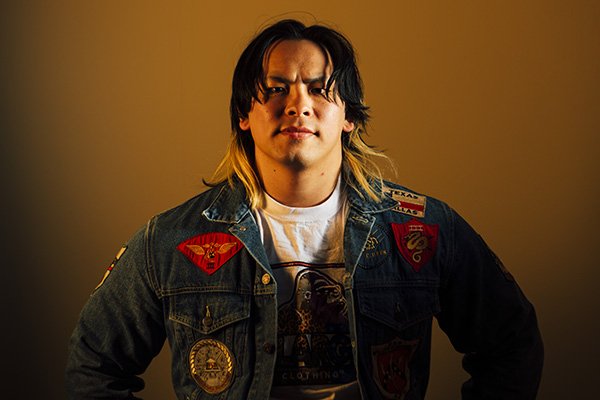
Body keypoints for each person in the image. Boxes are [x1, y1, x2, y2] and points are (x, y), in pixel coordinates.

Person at [66, 19, 543, 399]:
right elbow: (93, 365)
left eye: (318, 89)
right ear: (244, 114)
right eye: (276, 89)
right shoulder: (171, 241)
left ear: (348, 115)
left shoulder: (425, 229)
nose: (298, 105)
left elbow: (511, 341)